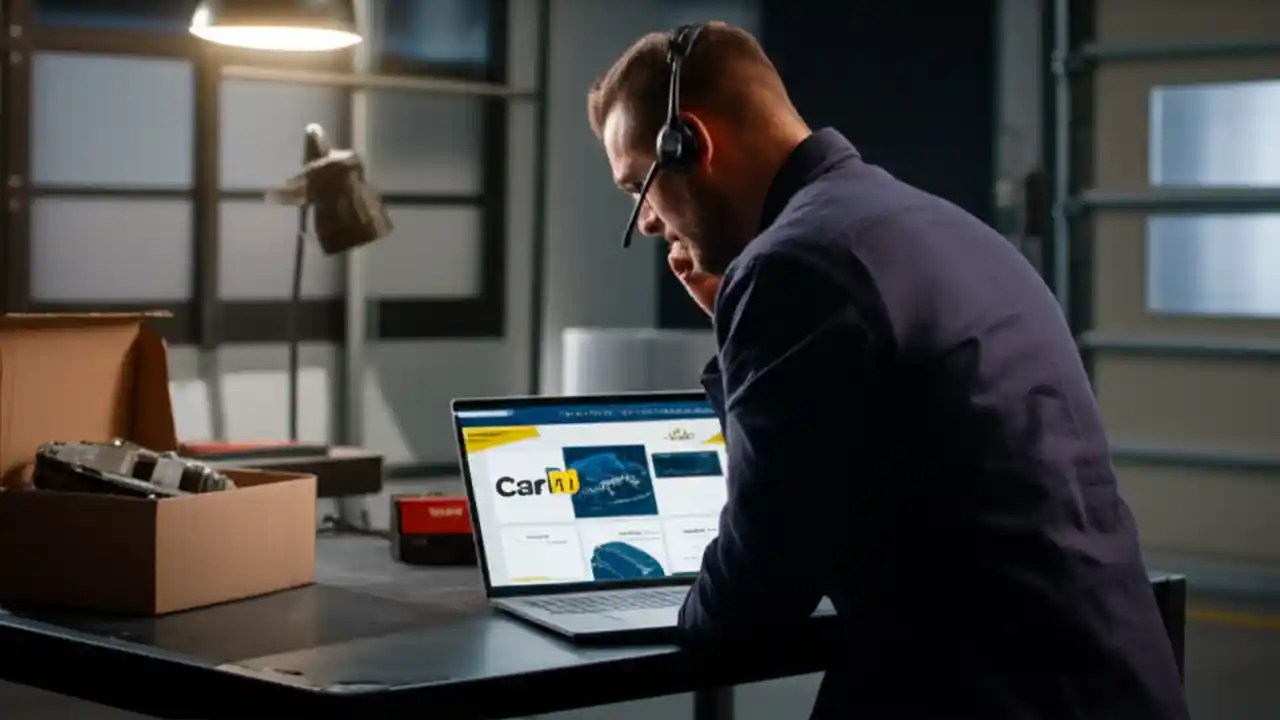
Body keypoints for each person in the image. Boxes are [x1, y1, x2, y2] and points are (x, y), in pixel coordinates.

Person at [586, 20, 1190, 720]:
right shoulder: (932, 224)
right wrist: (735, 320)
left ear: (691, 142)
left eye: (640, 187)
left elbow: (758, 588)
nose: (650, 222)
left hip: (986, 693)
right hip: (1108, 677)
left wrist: (661, 616)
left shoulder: (794, 266)